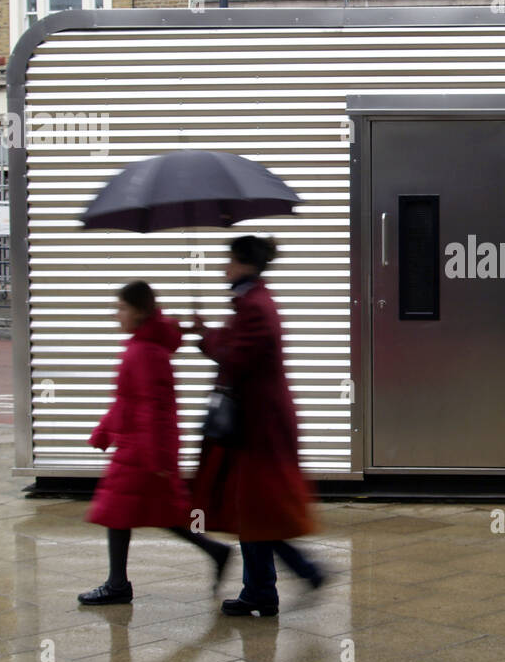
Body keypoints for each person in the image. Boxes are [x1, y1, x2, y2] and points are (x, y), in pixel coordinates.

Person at [188, 235, 323, 617]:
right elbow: (233, 347)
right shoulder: (250, 302)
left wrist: (206, 338)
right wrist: (207, 334)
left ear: (245, 263)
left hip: (261, 428)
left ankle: (293, 576)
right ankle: (264, 589)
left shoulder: (255, 306)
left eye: (228, 261)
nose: (223, 268)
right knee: (253, 509)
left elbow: (238, 356)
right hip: (255, 425)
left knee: (257, 510)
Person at [79, 281, 231, 605]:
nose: (116, 314)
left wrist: (159, 458)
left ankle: (117, 585)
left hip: (142, 452)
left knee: (117, 512)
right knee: (162, 513)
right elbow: (128, 400)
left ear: (138, 311)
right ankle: (215, 551)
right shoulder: (144, 346)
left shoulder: (145, 352)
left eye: (121, 308)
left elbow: (154, 408)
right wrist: (105, 431)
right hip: (140, 449)